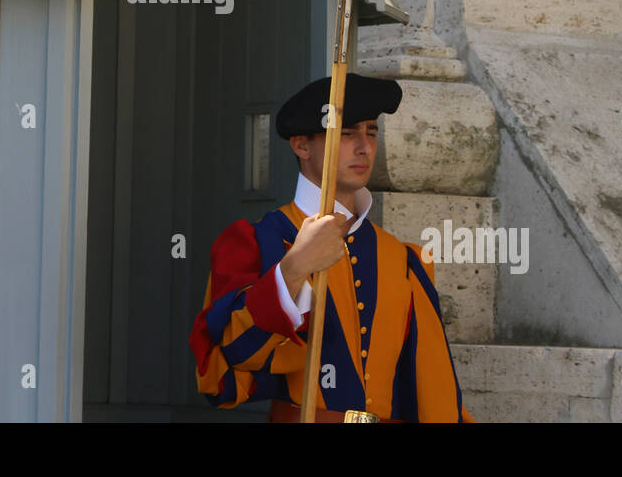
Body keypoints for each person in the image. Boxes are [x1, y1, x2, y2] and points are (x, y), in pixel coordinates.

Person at [189, 72, 473, 422]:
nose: (363, 146)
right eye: (346, 132)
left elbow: (434, 389)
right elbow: (224, 361)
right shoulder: (255, 242)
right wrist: (292, 270)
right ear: (301, 145)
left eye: (371, 132)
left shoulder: (404, 260)